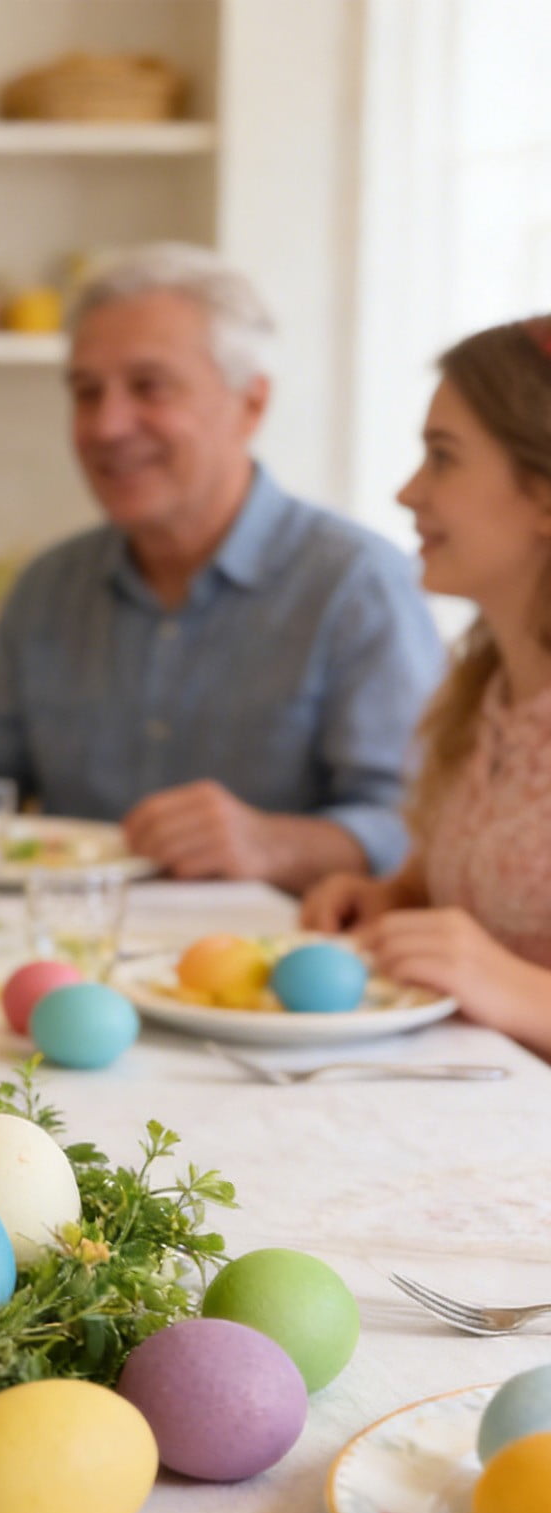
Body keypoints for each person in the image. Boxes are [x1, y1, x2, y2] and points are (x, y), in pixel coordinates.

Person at [0, 244, 444, 894]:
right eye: (86, 393)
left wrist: (271, 843)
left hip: (266, 979)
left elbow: (417, 826)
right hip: (60, 964)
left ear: (251, 406)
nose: (106, 426)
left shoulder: (358, 586)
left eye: (149, 388)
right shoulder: (49, 587)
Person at [302, 315, 551, 1056]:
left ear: (544, 494)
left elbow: (503, 961)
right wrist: (393, 899)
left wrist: (515, 987)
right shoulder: (480, 690)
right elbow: (475, 888)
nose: (408, 492)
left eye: (443, 458)